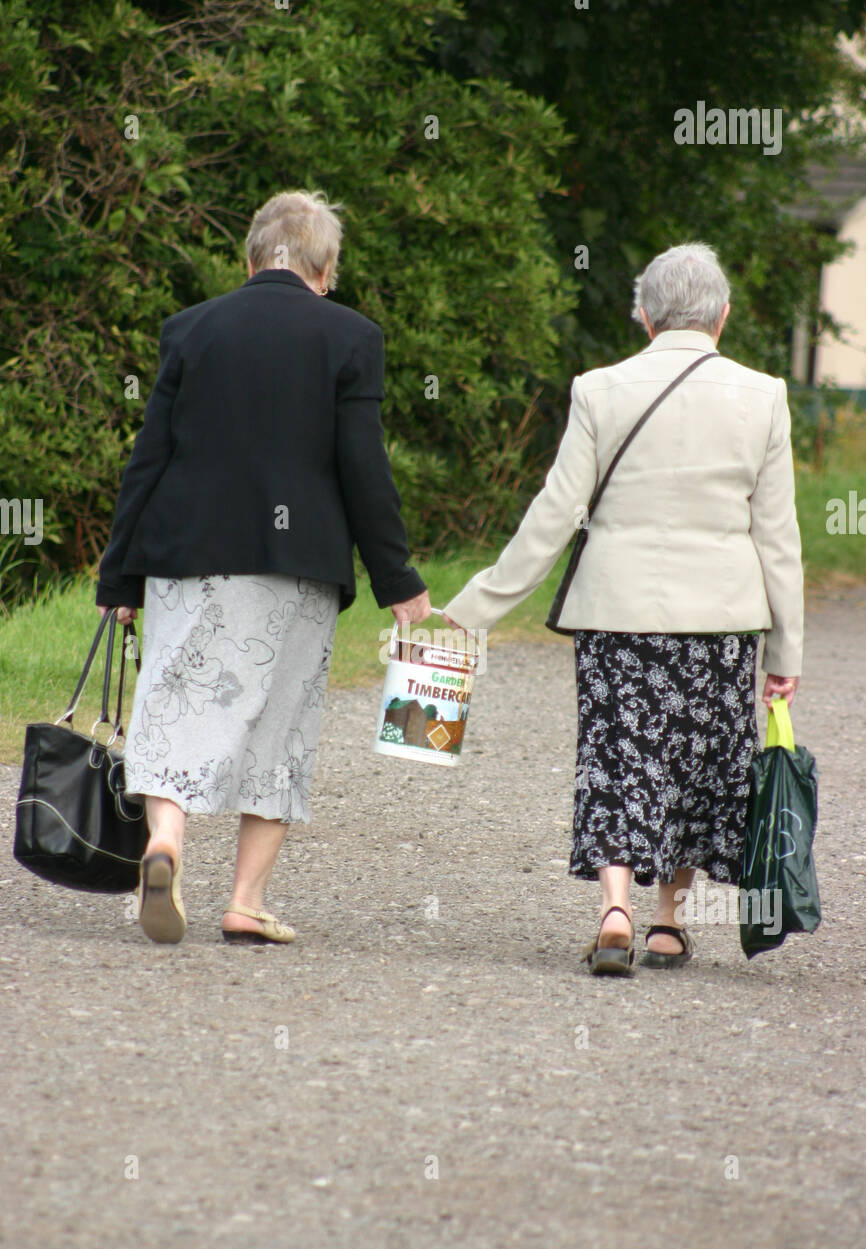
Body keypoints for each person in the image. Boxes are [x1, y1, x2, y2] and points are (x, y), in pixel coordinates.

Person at [443, 243, 803, 976]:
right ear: (723, 316)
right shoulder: (762, 395)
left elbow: (554, 515)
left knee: (618, 757)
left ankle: (615, 911)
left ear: (643, 313)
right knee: (699, 765)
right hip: (721, 619)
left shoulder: (600, 389)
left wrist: (477, 605)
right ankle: (669, 922)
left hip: (617, 613)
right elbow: (778, 535)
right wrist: (785, 652)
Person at [96, 190, 431, 946]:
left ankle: (166, 845)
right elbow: (362, 468)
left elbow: (148, 460)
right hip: (295, 563)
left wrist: (119, 579)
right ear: (327, 267)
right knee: (277, 728)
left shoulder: (191, 329)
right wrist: (397, 579)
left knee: (176, 704)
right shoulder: (350, 338)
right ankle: (244, 902)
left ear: (249, 259)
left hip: (187, 555)